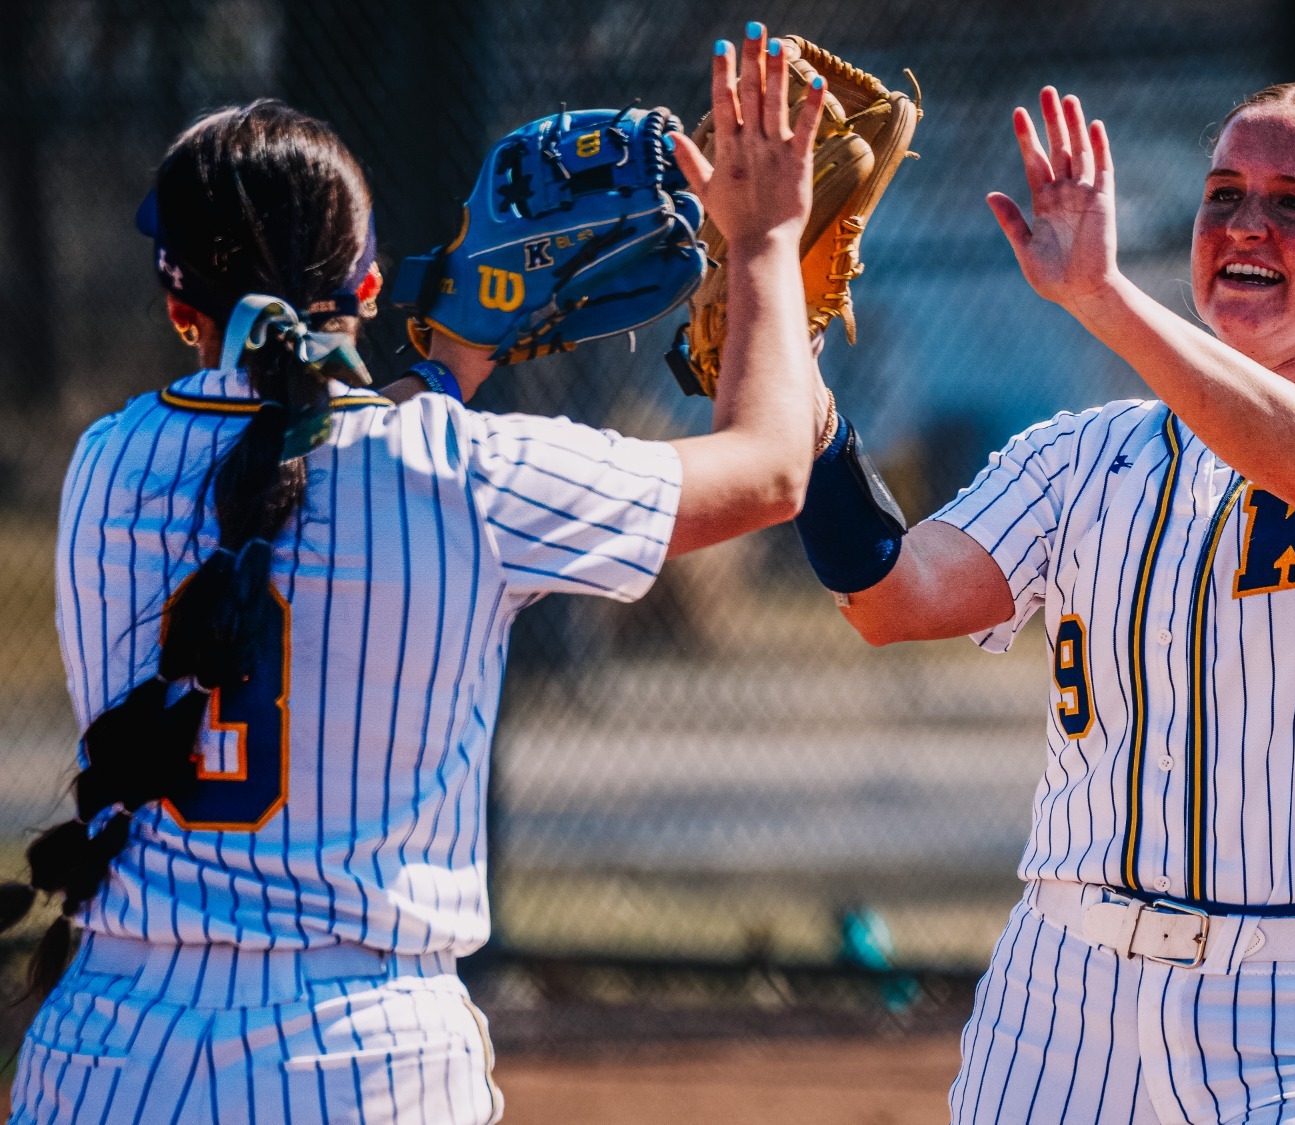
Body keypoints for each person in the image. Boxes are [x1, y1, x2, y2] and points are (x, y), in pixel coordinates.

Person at [3, 26, 828, 1123]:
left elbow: (294, 474)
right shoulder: (468, 482)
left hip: (108, 1055)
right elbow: (771, 469)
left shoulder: (102, 467)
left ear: (178, 305)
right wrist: (765, 238)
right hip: (359, 1059)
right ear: (372, 281)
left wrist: (449, 372)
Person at [789, 82, 1295, 1123]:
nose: (1246, 223)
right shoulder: (1079, 454)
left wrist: (1101, 297)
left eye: (1293, 202)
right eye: (1223, 194)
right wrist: (785, 349)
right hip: (1058, 1000)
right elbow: (891, 594)